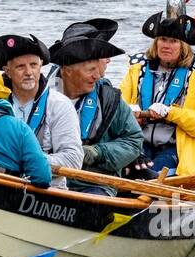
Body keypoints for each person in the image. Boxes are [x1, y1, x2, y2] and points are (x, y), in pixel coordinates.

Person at [47, 19, 143, 192]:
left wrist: (96, 153)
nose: (97, 75)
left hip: (94, 184)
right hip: (45, 177)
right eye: (90, 69)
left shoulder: (108, 98)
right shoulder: (38, 95)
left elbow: (134, 141)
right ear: (67, 69)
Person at [120, 10, 195, 177]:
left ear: (184, 47)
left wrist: (171, 113)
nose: (166, 45)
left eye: (173, 41)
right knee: (127, 167)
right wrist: (129, 113)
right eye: (163, 40)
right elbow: (117, 109)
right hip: (137, 142)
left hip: (175, 148)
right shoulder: (136, 70)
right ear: (156, 42)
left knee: (150, 171)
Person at [0, 33, 83, 178]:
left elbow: (73, 159)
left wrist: (29, 160)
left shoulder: (60, 105)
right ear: (7, 71)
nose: (29, 72)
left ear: (40, 66)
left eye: (33, 65)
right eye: (21, 67)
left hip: (47, 190)